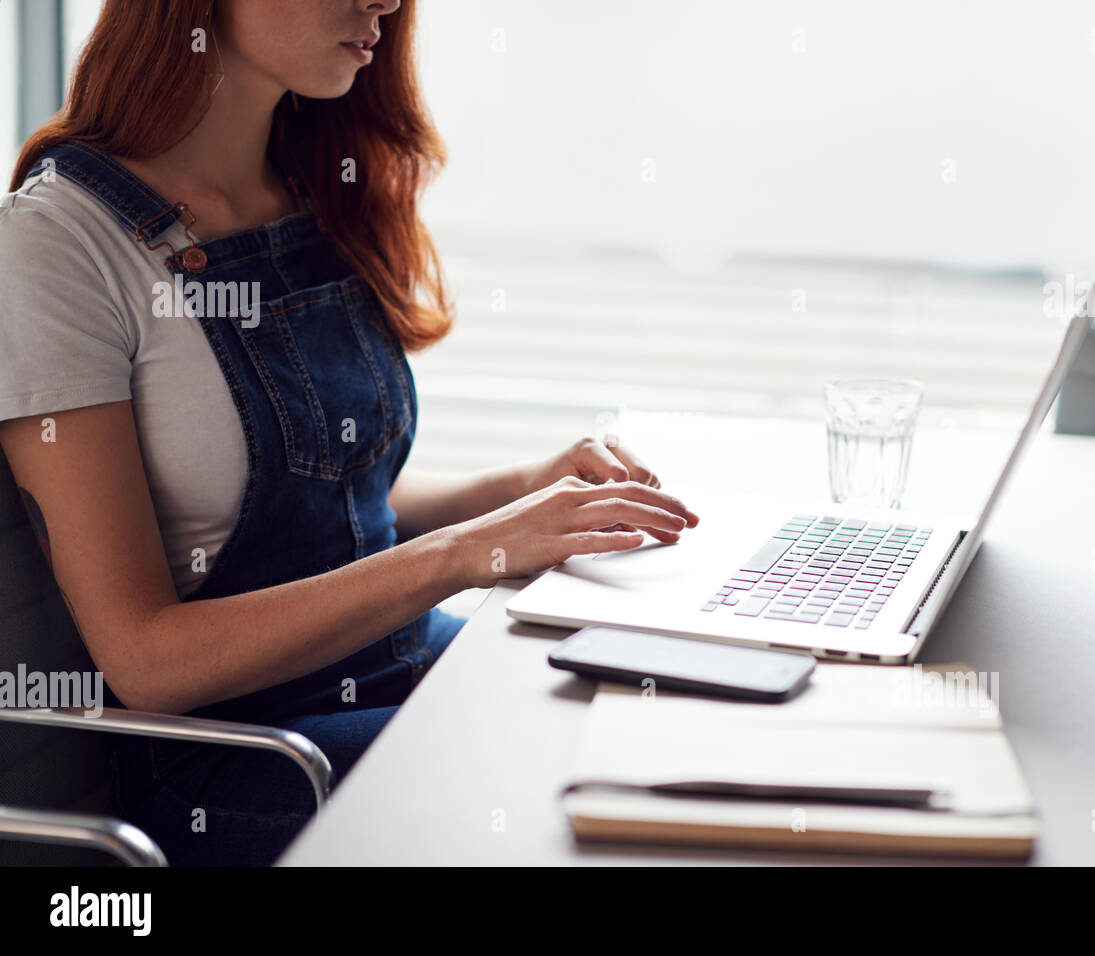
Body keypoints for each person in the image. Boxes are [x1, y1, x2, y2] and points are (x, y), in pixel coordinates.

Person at [0, 0, 698, 866]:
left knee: (666, 715)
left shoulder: (308, 182)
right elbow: (145, 659)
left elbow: (342, 504)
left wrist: (516, 494)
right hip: (246, 761)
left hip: (396, 664)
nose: (387, 2)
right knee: (588, 797)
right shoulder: (57, 245)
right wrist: (466, 553)